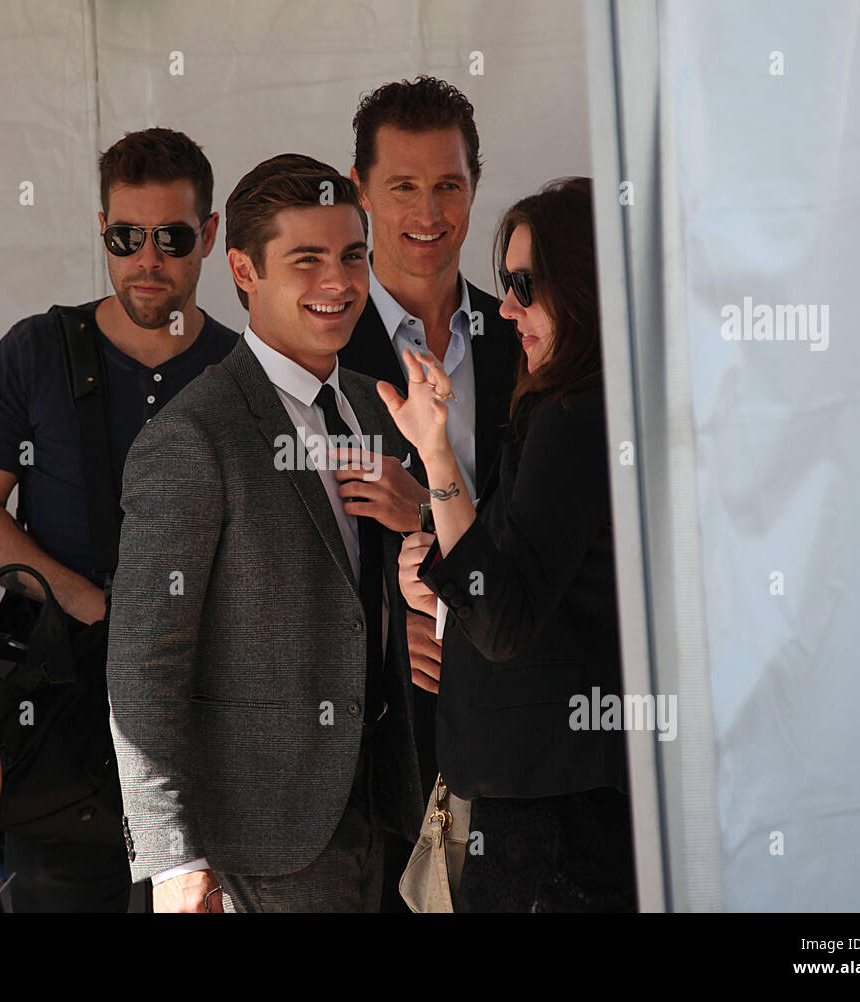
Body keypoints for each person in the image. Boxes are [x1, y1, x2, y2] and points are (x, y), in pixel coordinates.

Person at [107, 153, 425, 913]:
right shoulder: (193, 436)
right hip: (252, 846)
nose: (339, 283)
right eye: (306, 260)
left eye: (353, 256)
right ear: (244, 271)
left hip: (383, 820)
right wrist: (176, 859)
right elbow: (143, 664)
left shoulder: (377, 407)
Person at [0, 128, 239, 912]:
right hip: (63, 722)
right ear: (100, 230)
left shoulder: (244, 371)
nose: (148, 259)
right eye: (126, 237)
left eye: (172, 238)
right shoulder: (36, 350)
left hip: (207, 725)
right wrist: (87, 603)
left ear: (209, 236)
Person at [387, 177, 636, 912]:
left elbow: (502, 619)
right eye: (505, 284)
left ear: (586, 286)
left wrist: (437, 457)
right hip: (556, 800)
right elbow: (539, 590)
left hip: (544, 811)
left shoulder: (576, 415)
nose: (507, 308)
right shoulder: (593, 407)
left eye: (527, 285)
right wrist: (434, 589)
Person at [341, 75, 522, 907]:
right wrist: (390, 631)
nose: (429, 210)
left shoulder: (526, 338)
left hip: (513, 734)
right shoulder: (312, 351)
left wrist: (427, 514)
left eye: (448, 184)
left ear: (475, 188)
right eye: (403, 187)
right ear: (360, 194)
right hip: (365, 760)